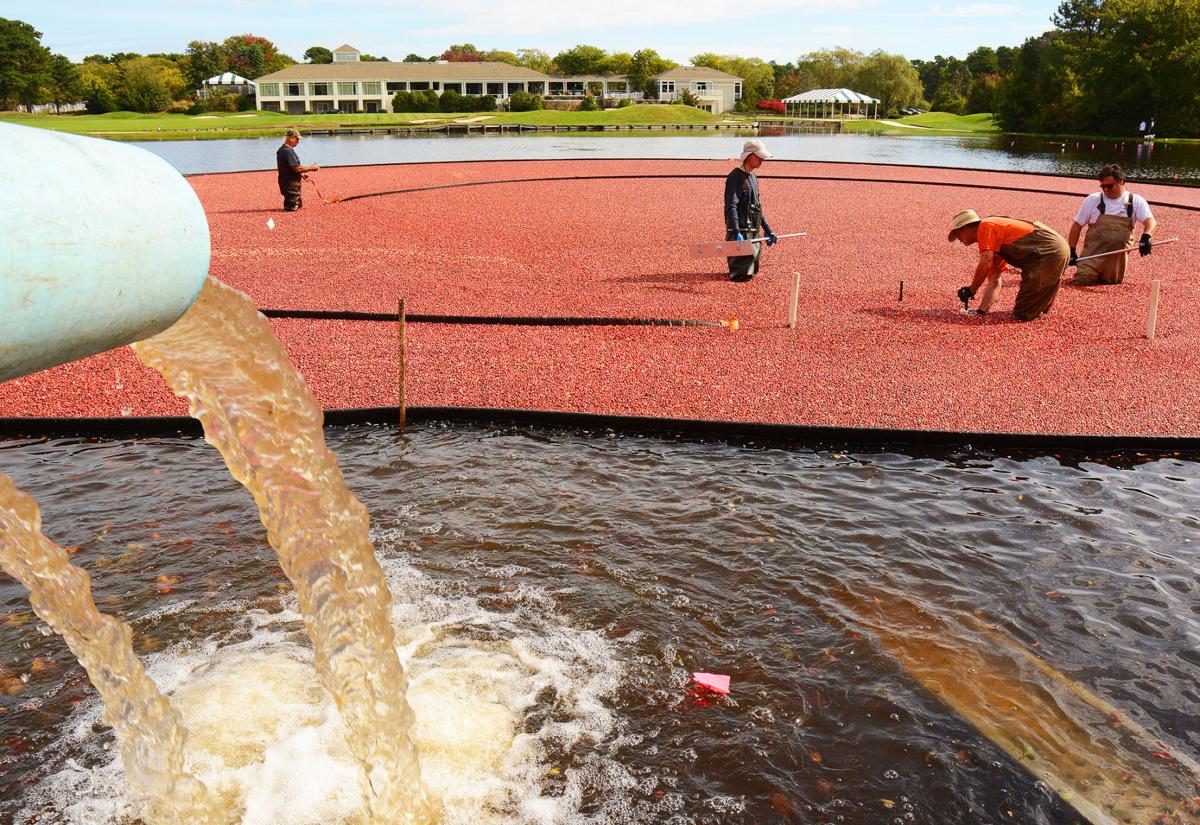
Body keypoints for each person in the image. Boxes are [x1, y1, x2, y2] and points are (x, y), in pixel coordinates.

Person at [949, 210, 1069, 322]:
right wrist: (981, 311)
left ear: (965, 228)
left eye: (957, 234)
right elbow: (994, 281)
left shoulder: (986, 226)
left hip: (1049, 251)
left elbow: (985, 262)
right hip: (1056, 250)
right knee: (1036, 308)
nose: (958, 239)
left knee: (1024, 314)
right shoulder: (995, 239)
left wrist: (971, 290)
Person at [1067, 164, 1156, 286]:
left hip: (1116, 261)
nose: (1105, 190)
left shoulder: (1135, 201)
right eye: (1102, 186)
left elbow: (1150, 221)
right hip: (1092, 256)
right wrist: (1071, 250)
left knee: (1111, 285)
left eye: (1109, 186)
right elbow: (1077, 225)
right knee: (1082, 281)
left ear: (1121, 182)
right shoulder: (1093, 200)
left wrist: (1146, 236)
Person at [724, 139, 778, 282]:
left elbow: (757, 207)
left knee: (752, 273)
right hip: (740, 233)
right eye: (758, 157)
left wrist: (767, 229)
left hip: (754, 235)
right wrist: (736, 231)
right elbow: (731, 206)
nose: (762, 160)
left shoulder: (753, 177)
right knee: (740, 277)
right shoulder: (735, 177)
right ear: (748, 156)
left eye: (763, 157)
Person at [277, 128, 319, 211]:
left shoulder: (284, 150)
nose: (298, 142)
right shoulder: (287, 151)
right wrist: (311, 168)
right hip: (290, 185)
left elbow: (291, 167)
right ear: (291, 138)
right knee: (291, 208)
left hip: (289, 183)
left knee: (298, 205)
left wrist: (302, 174)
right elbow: (297, 168)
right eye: (297, 139)